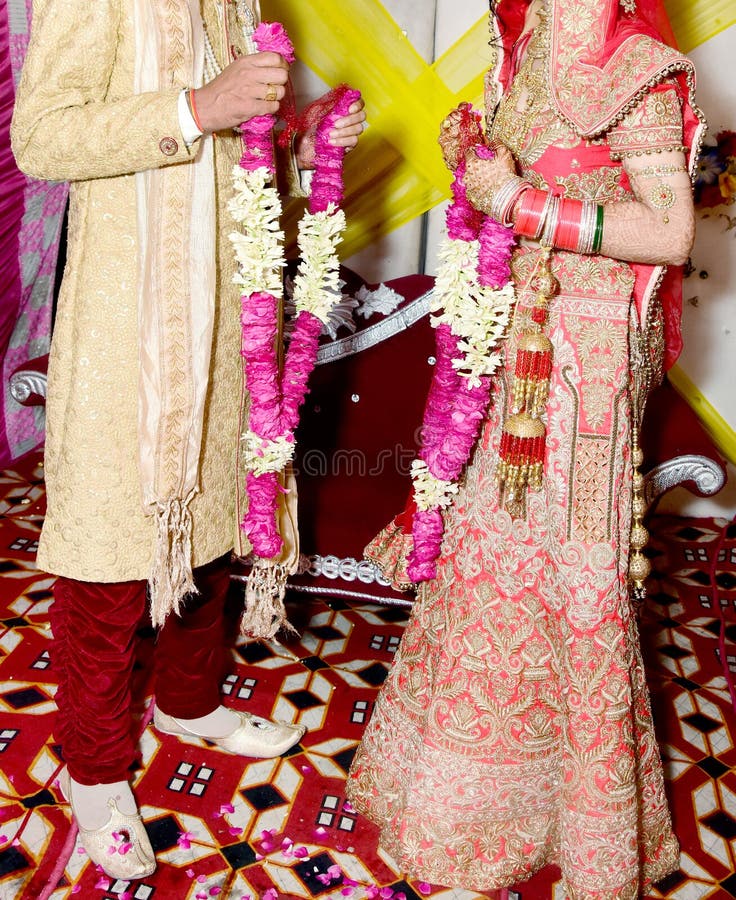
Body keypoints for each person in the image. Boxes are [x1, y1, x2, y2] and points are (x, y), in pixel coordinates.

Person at [347, 1, 703, 897]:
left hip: (583, 360)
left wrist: (522, 202)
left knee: (569, 575)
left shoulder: (642, 70)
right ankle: (457, 806)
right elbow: (497, 171)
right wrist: (475, 156)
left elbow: (669, 231)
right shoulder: (525, 37)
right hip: (509, 341)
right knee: (487, 559)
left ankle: (575, 829)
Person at [10, 0, 365, 881]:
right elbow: (41, 139)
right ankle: (95, 772)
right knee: (110, 547)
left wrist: (306, 143)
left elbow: (239, 157)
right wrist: (193, 108)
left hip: (225, 314)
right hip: (127, 321)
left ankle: (190, 704)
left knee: (213, 523)